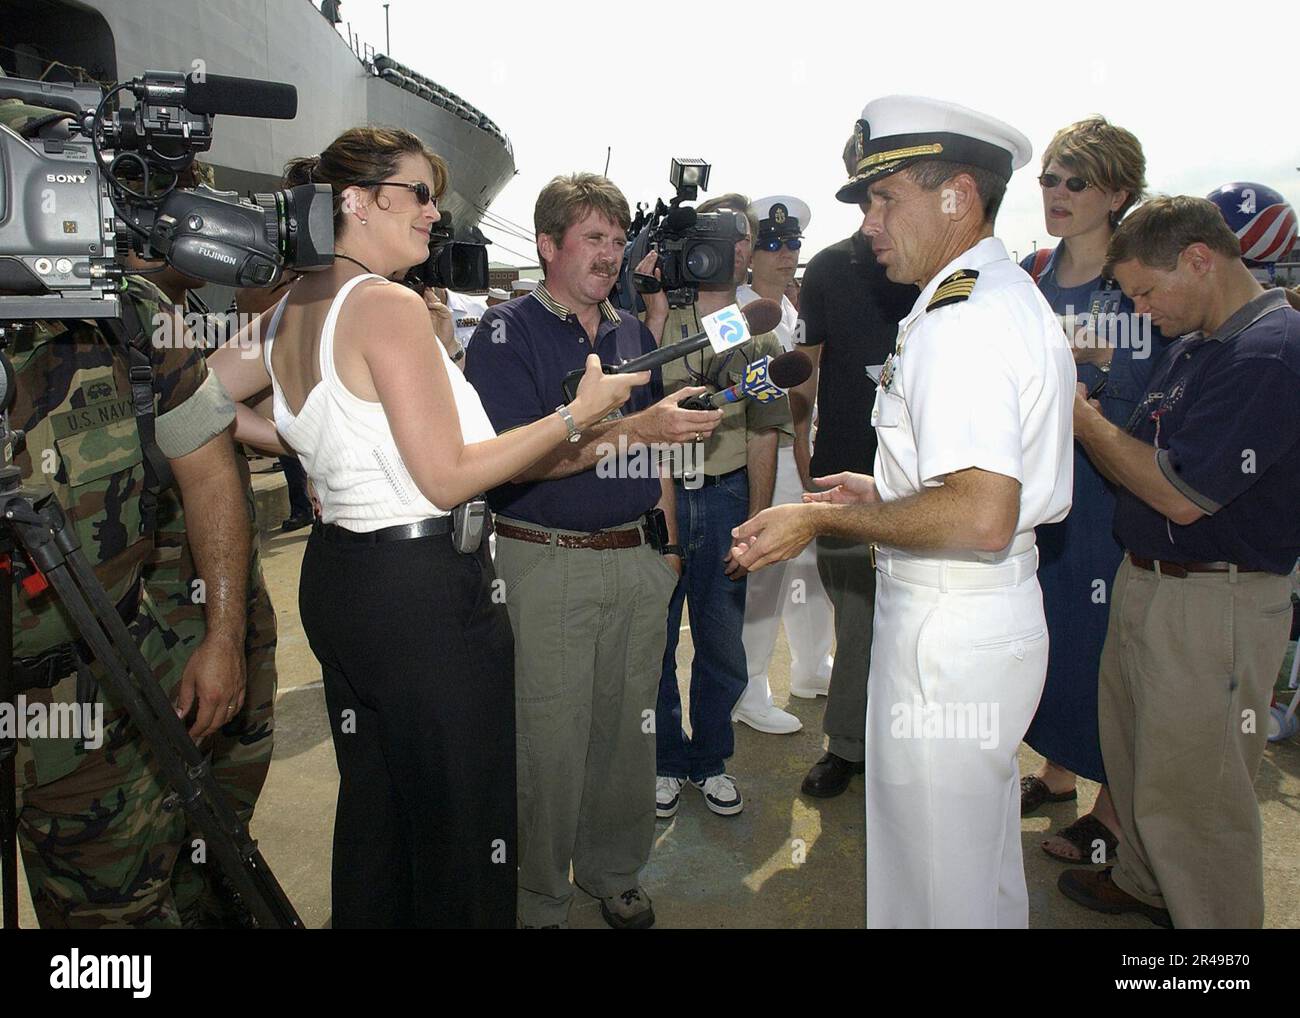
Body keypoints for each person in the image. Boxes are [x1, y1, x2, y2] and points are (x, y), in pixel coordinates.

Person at [210, 134, 647, 929]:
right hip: (425, 597)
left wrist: (308, 440)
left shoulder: (295, 305)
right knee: (464, 826)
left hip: (343, 580)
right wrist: (574, 417)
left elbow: (194, 408)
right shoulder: (384, 304)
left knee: (377, 813)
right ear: (355, 201)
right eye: (415, 192)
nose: (432, 212)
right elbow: (447, 476)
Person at [731, 95, 1074, 928]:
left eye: (886, 199)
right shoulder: (981, 294)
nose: (870, 222)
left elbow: (982, 513)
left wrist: (824, 521)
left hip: (949, 625)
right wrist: (884, 494)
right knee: (970, 865)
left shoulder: (963, 321)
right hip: (974, 610)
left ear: (958, 194)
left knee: (936, 883)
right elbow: (988, 491)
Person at [3, 97, 251, 927]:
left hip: (94, 696)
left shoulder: (130, 317)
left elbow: (211, 475)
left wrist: (220, 635)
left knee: (121, 932)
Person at [464, 172, 723, 929]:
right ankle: (537, 898)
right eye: (592, 239)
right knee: (547, 744)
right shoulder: (505, 333)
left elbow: (656, 450)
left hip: (637, 561)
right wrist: (637, 431)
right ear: (547, 246)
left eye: (617, 240)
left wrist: (668, 547)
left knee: (626, 734)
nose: (610, 255)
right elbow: (516, 460)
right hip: (547, 563)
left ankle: (614, 872)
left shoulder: (629, 331)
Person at [1059, 196, 1300, 928]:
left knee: (1199, 798)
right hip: (1154, 586)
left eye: (1145, 291)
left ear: (1200, 259)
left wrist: (1078, 416)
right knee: (1139, 764)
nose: (1141, 308)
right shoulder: (1200, 341)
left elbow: (1180, 493)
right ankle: (1143, 883)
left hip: (1213, 602)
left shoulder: (1270, 353)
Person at [1017, 117, 1157, 868]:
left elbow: (1154, 391)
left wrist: (1096, 375)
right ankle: (1057, 771)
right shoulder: (1033, 271)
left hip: (1108, 497)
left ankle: (1111, 809)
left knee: (1106, 652)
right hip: (1041, 495)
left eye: (1076, 181)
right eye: (1048, 178)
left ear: (1117, 193)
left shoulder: (1137, 280)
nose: (1057, 193)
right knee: (1051, 639)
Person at [640, 192, 793, 817]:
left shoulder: (752, 328)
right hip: (662, 498)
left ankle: (710, 759)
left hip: (727, 494)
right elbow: (631, 412)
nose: (728, 255)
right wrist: (650, 300)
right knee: (654, 644)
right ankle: (667, 761)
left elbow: (762, 432)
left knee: (722, 642)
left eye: (737, 243)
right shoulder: (652, 322)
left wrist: (755, 524)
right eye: (718, 242)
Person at [792, 142, 918, 797]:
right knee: (858, 614)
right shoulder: (830, 270)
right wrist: (802, 453)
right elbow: (805, 371)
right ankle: (847, 746)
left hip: (928, 485)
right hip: (845, 472)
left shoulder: (944, 271)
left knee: (921, 621)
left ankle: (909, 750)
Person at [732, 195, 836, 735]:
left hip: (801, 452)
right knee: (765, 575)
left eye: (792, 243)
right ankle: (749, 689)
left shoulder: (796, 308)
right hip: (759, 455)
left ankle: (812, 667)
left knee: (809, 569)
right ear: (748, 252)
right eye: (772, 244)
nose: (785, 254)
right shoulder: (736, 314)